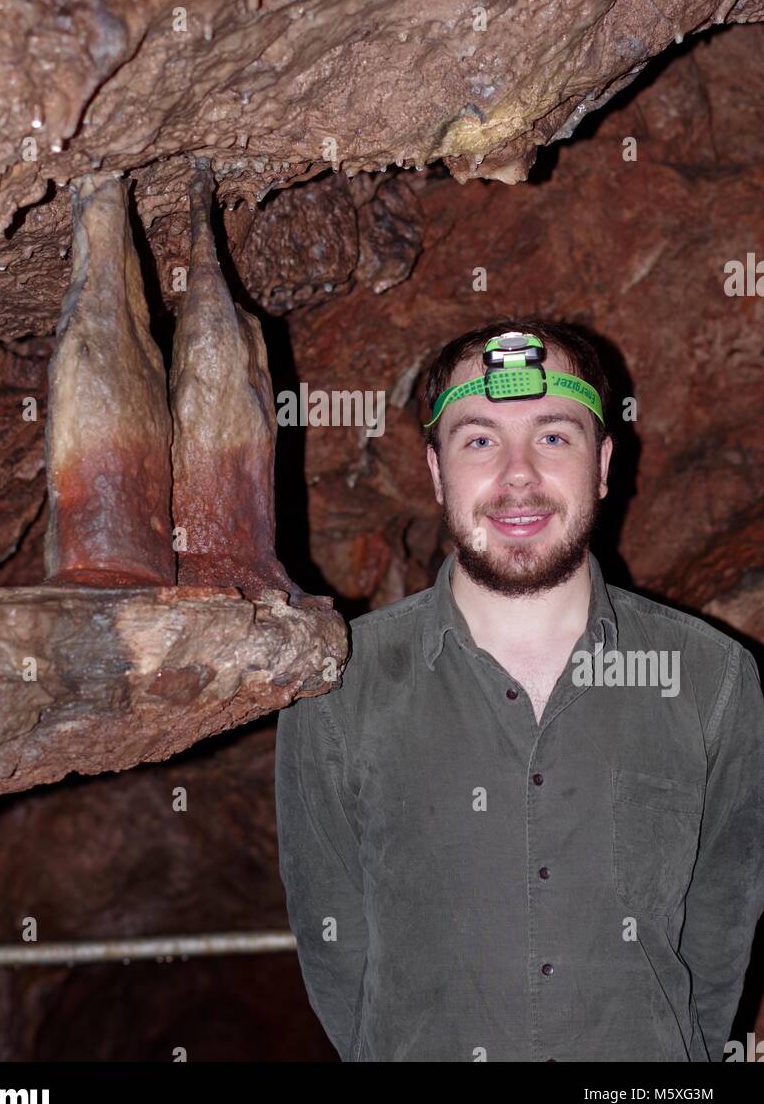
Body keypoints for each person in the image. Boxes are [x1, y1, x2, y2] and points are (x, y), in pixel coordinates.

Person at [275, 317, 764, 1062]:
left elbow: (721, 928)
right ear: (436, 471)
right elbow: (333, 941)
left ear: (602, 464)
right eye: (479, 440)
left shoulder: (712, 679)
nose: (518, 476)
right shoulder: (338, 684)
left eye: (553, 437)